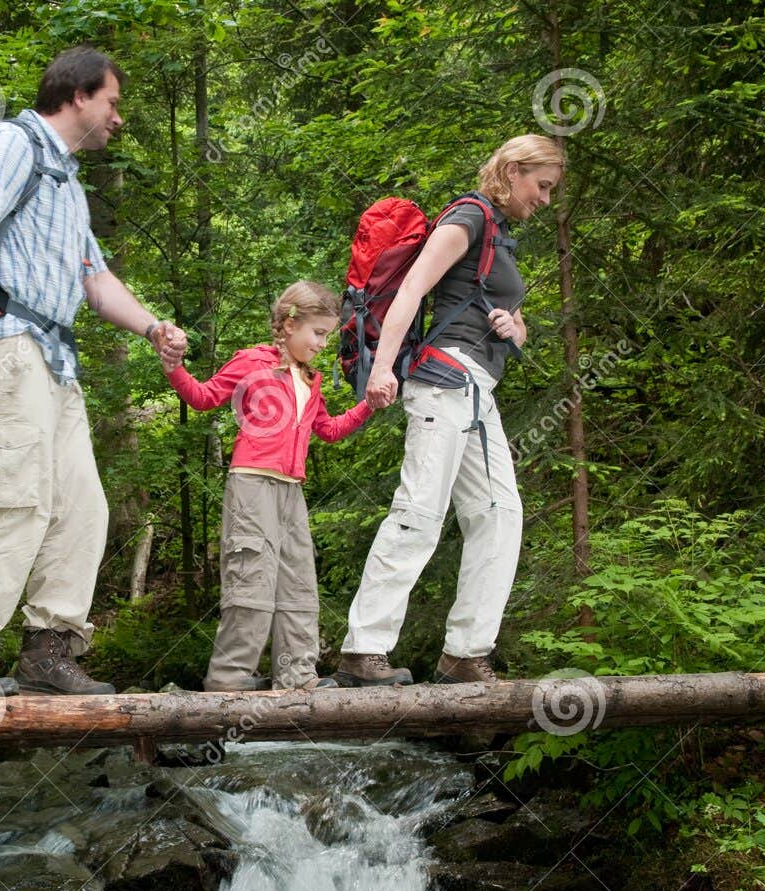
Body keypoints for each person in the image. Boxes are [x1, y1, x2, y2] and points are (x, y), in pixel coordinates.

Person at [0, 47, 189, 697]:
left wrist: (153, 327)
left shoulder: (66, 181)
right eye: (112, 103)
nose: (118, 118)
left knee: (82, 506)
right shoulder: (9, 143)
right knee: (16, 497)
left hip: (55, 359)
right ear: (77, 95)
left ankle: (48, 649)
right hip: (7, 344)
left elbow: (95, 281)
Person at [334, 134, 564, 687]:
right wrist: (382, 368)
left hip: (477, 388)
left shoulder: (501, 236)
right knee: (419, 511)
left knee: (500, 515)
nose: (545, 199)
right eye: (541, 186)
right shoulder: (468, 216)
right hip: (443, 382)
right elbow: (412, 290)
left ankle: (465, 654)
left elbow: (511, 322)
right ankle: (363, 650)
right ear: (512, 171)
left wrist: (515, 327)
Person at [163, 281, 381, 691]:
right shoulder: (252, 362)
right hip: (252, 485)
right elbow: (203, 397)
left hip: (291, 491)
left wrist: (368, 404)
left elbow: (329, 430)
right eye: (318, 333)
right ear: (290, 324)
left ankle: (296, 675)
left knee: (299, 582)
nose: (322, 344)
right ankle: (229, 679)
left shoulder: (311, 380)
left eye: (327, 336)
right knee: (251, 579)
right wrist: (173, 366)